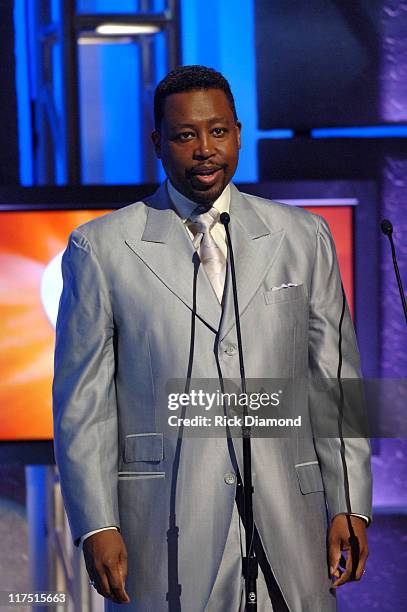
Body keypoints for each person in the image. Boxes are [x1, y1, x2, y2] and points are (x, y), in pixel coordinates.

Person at [53, 65, 372, 612]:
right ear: (157, 142)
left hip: (288, 521)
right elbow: (83, 405)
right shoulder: (101, 248)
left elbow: (335, 381)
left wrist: (351, 502)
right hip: (163, 525)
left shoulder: (303, 235)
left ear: (239, 134)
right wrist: (96, 522)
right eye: (185, 135)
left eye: (218, 131)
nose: (205, 149)